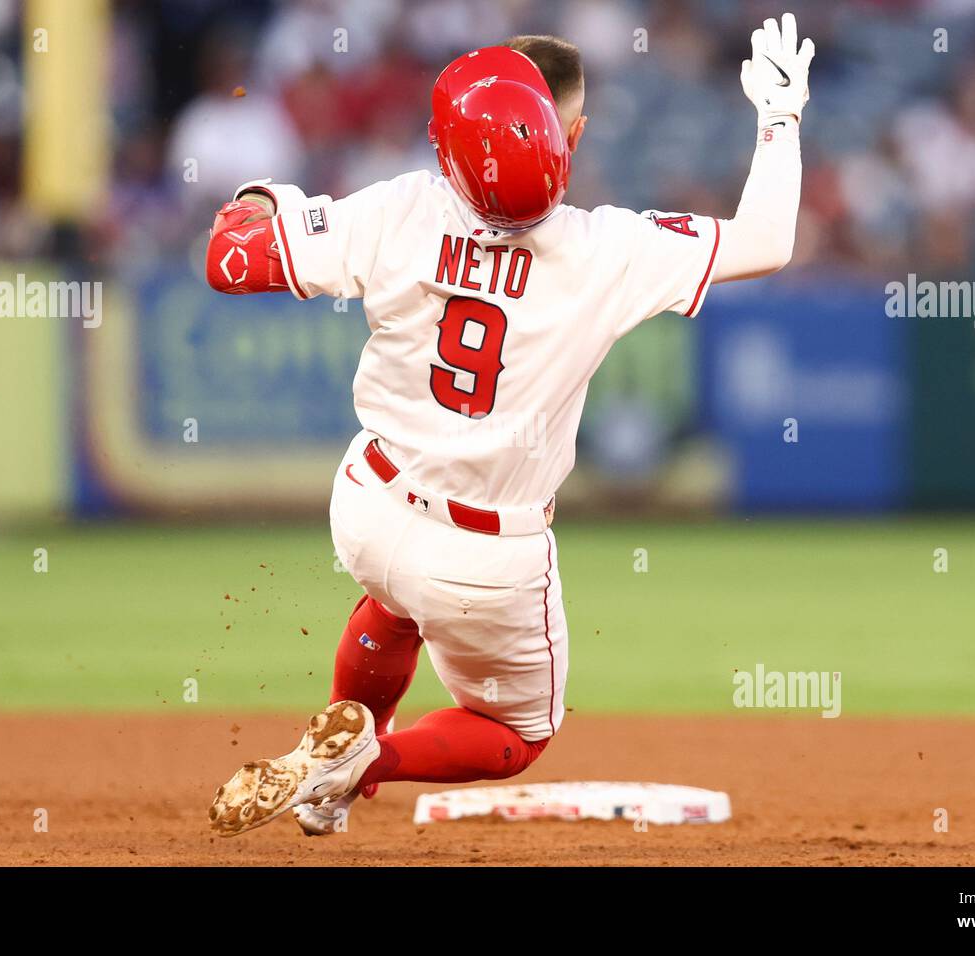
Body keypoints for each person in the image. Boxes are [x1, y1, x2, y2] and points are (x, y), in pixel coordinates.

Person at [205, 14, 815, 838]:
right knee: (518, 734)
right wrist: (780, 116)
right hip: (485, 558)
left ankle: (330, 765)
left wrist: (261, 198)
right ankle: (361, 761)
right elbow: (770, 240)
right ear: (566, 140)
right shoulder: (608, 251)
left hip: (369, 505)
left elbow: (231, 260)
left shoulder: (401, 211)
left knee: (392, 605)